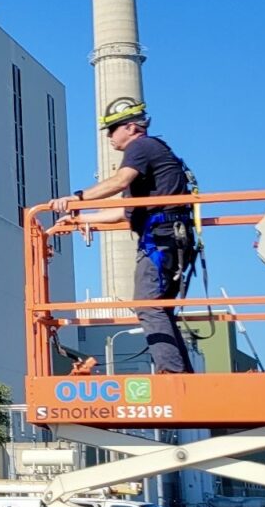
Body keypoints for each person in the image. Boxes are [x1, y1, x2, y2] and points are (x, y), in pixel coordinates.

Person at [46, 99, 196, 373]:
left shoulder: (141, 147)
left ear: (131, 127)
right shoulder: (150, 166)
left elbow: (118, 182)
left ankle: (173, 375)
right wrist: (80, 218)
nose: (109, 136)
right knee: (159, 309)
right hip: (167, 238)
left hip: (161, 240)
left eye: (112, 129)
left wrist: (76, 199)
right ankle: (180, 372)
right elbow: (124, 214)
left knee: (148, 306)